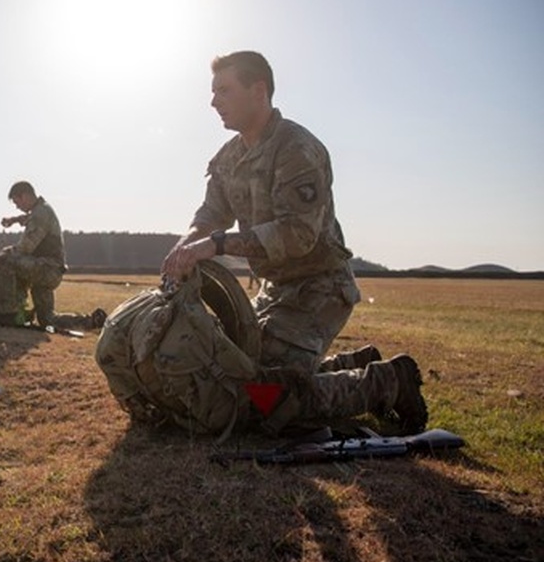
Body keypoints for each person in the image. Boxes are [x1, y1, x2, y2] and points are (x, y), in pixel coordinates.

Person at [161, 51, 427, 434]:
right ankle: (352, 365)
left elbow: (297, 236)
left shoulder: (297, 149)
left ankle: (389, 382)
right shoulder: (228, 158)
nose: (213, 101)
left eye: (224, 90)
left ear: (258, 90)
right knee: (236, 367)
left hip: (319, 286)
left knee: (265, 398)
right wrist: (184, 247)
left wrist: (213, 246)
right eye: (213, 91)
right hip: (276, 289)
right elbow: (209, 216)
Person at [0, 181, 104, 330]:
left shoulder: (40, 214)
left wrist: (7, 251)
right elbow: (28, 219)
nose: (17, 207)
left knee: (5, 260)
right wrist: (14, 220)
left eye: (17, 202)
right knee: (48, 319)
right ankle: (92, 321)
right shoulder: (41, 210)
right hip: (50, 271)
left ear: (24, 196)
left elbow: (26, 247)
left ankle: (9, 314)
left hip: (46, 269)